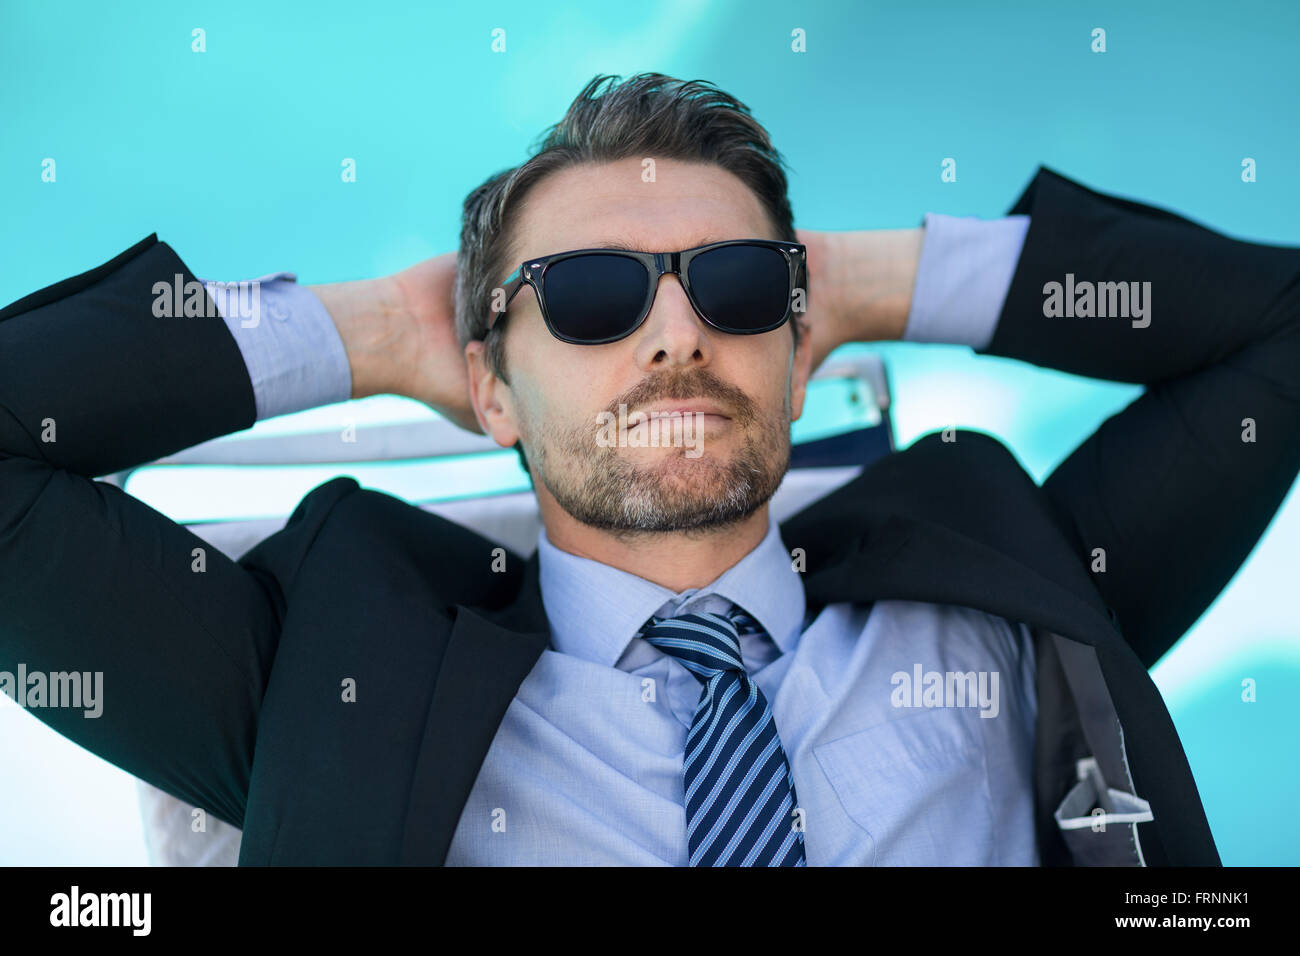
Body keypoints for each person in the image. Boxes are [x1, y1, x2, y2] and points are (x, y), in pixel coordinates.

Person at [2, 73, 1297, 866]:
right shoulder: (328, 665)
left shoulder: (1004, 585)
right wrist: (381, 330)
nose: (679, 331)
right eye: (589, 296)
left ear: (799, 349)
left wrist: (868, 278)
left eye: (734, 287)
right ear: (491, 382)